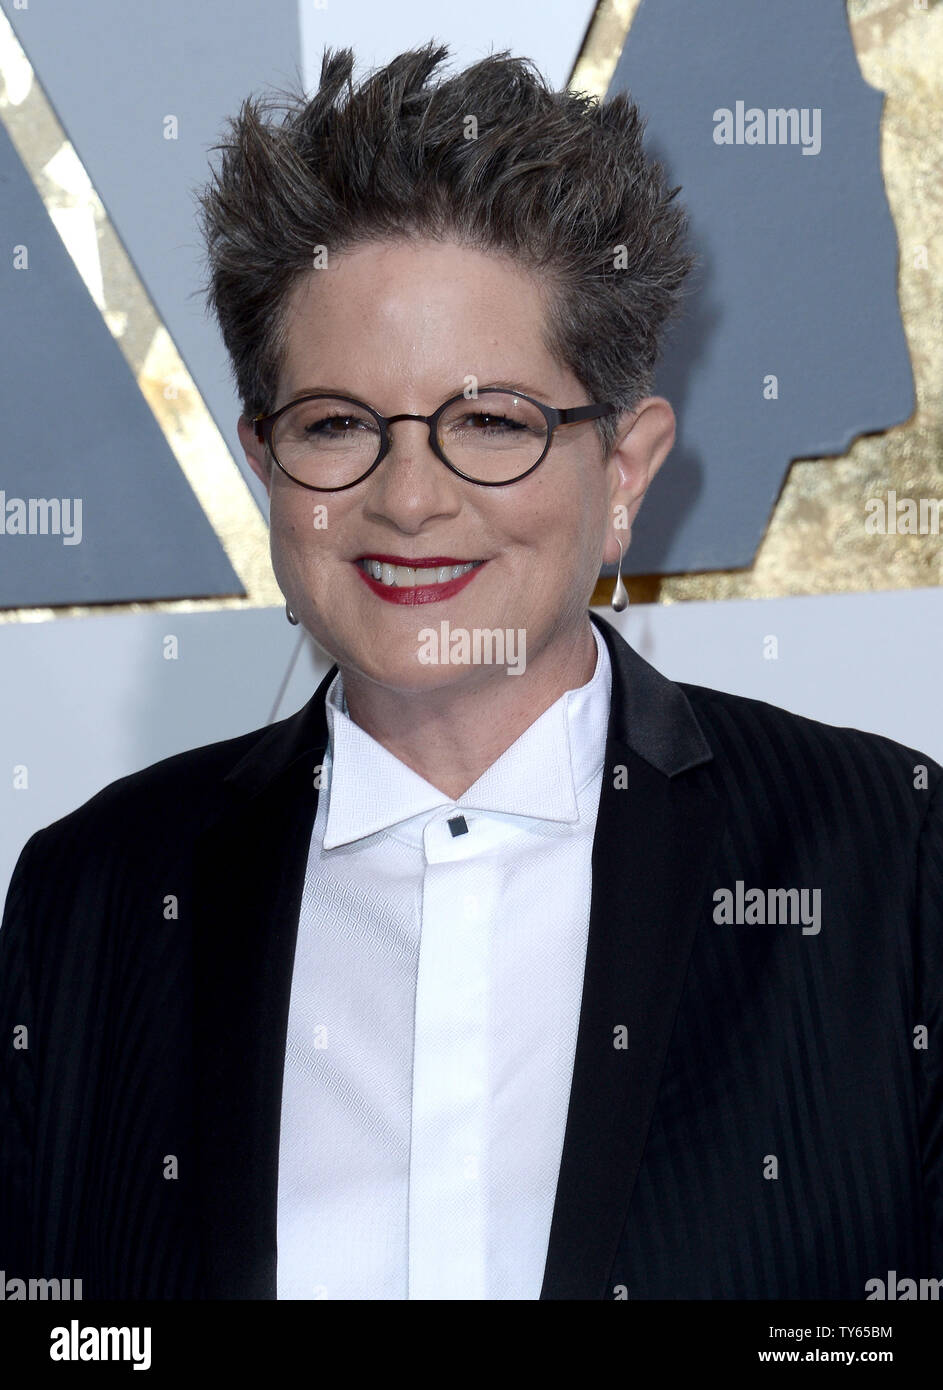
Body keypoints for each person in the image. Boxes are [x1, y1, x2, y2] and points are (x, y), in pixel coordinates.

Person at [1, 41, 940, 1302]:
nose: (408, 497)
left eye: (490, 423)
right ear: (266, 464)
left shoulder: (889, 864)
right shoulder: (94, 897)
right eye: (336, 424)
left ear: (624, 471)